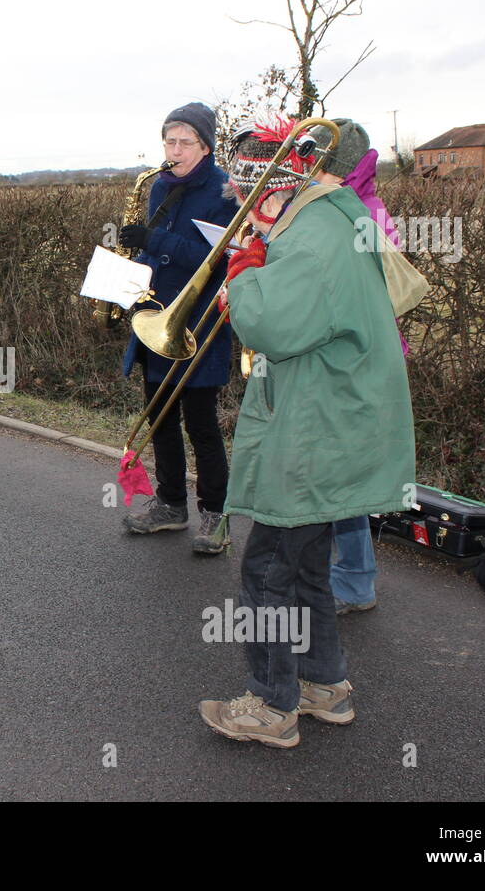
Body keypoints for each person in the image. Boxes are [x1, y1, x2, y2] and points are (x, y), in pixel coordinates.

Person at [197, 118, 416, 748]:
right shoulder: (327, 219)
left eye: (248, 190)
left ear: (276, 184)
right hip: (335, 420)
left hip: (318, 429)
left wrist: (243, 272)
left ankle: (272, 706)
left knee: (267, 570)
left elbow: (271, 326)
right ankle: (326, 686)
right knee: (308, 567)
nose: (240, 204)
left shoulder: (313, 237)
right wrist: (260, 261)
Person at [119, 103, 241, 554]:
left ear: (206, 147)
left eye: (184, 142)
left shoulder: (226, 191)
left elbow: (221, 263)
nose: (174, 150)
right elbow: (157, 256)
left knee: (202, 425)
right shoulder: (159, 188)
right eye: (169, 141)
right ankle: (171, 505)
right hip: (156, 319)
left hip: (199, 323)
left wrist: (156, 241)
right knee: (160, 418)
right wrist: (134, 273)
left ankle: (216, 515)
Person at [316, 120, 404, 615]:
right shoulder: (351, 207)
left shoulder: (362, 212)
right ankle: (341, 573)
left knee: (344, 479)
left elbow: (380, 291)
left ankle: (354, 580)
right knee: (335, 474)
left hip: (357, 360)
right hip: (349, 356)